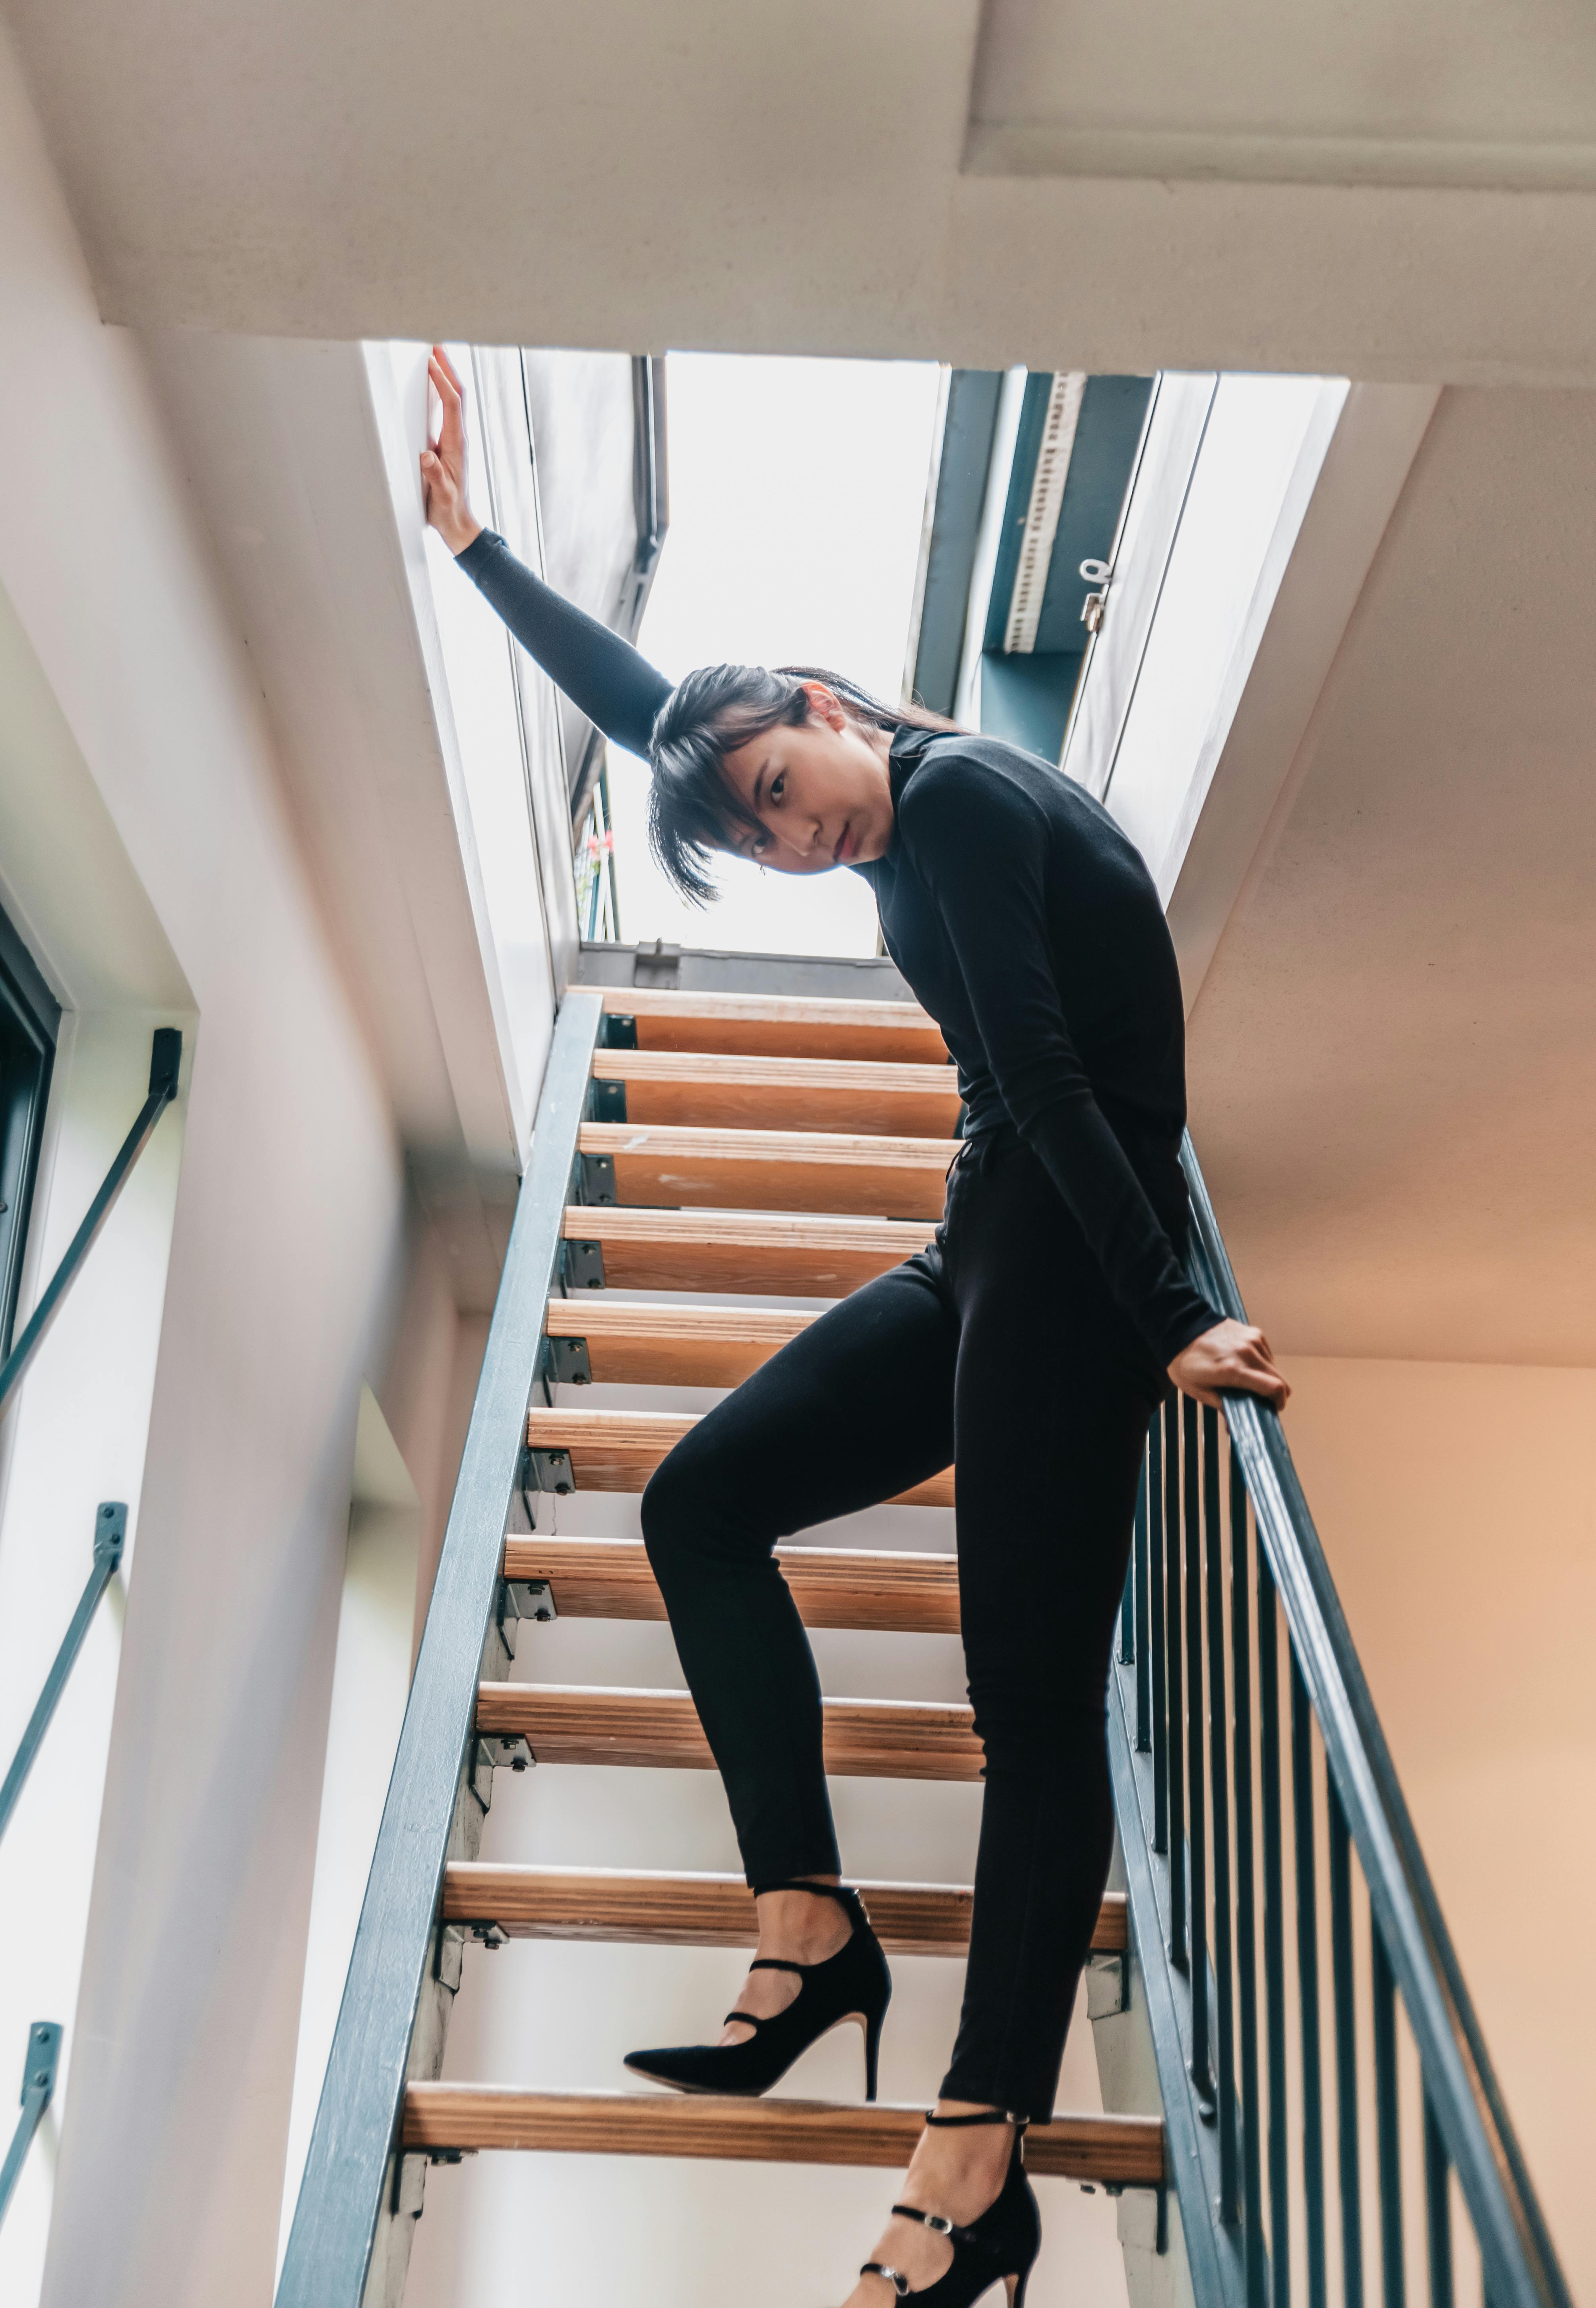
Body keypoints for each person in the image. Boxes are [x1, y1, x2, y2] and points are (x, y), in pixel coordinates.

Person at [421, 347, 1288, 2308]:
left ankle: (971, 2152)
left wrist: (1168, 1318)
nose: (793, 841)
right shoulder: (881, 808)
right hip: (987, 1245)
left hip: (1075, 1258)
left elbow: (1060, 1084)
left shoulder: (967, 796)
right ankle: (811, 1923)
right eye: (759, 833)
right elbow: (662, 711)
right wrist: (475, 545)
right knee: (703, 1502)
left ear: (824, 707)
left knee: (1029, 1709)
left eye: (787, 799)